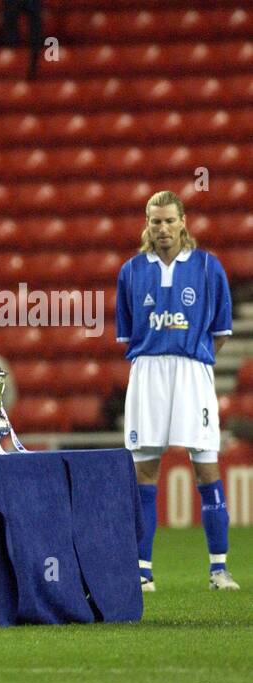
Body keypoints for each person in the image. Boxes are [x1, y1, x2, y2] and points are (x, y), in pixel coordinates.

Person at [116, 190, 237, 592]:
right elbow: (128, 333)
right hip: (148, 372)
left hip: (192, 373)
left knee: (205, 468)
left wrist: (192, 356)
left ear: (183, 221)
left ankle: (219, 569)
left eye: (169, 220)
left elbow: (219, 334)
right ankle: (142, 571)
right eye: (155, 221)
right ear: (146, 225)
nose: (163, 228)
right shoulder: (131, 271)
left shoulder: (207, 267)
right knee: (144, 472)